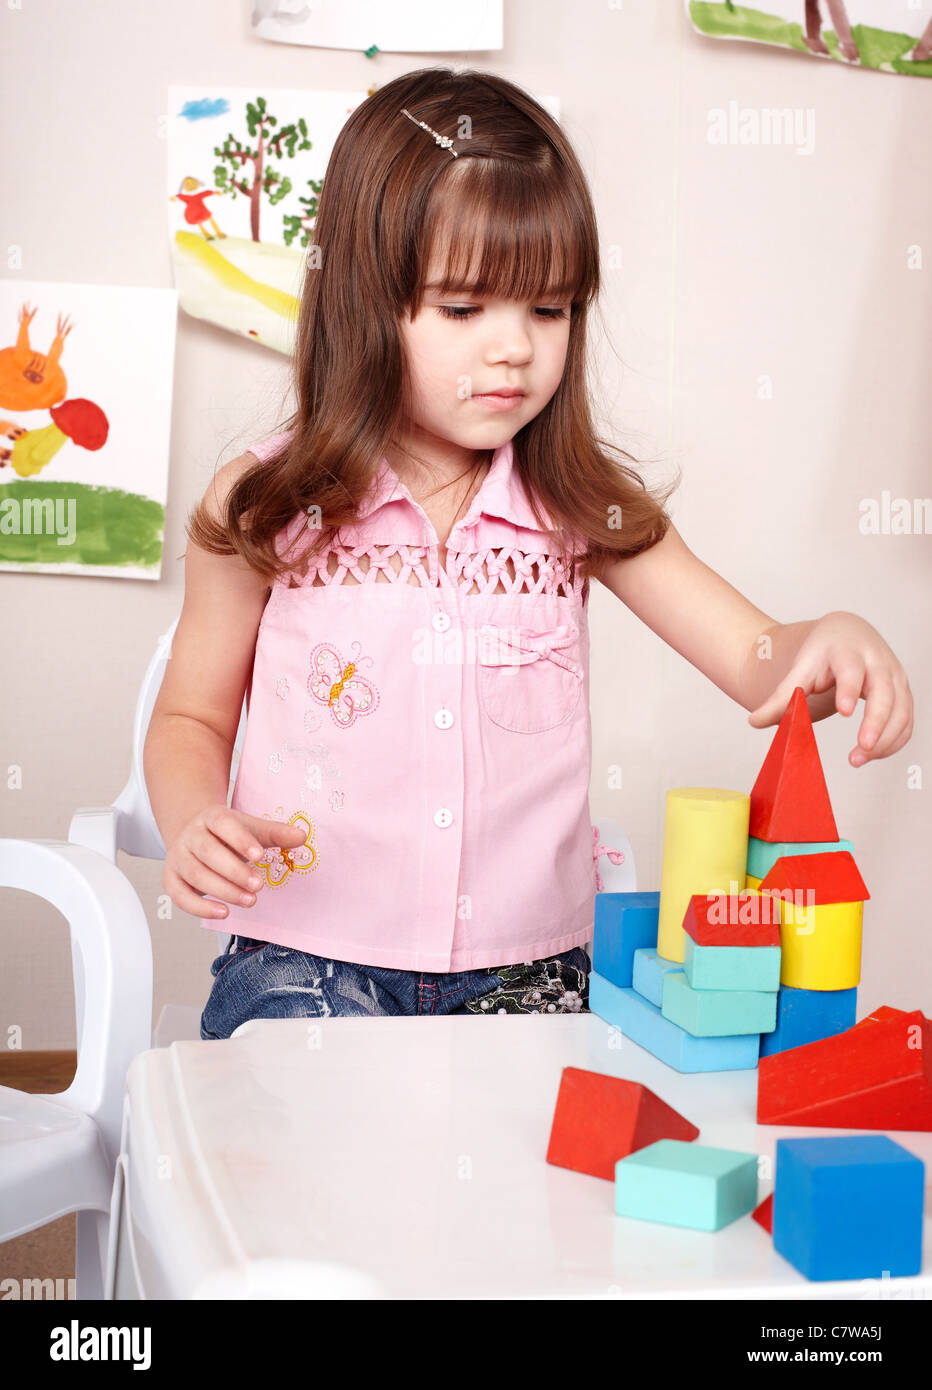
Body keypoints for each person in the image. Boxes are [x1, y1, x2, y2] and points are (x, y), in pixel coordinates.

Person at [143, 68, 913, 1038]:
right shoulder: (265, 509)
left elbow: (759, 662)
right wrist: (191, 821)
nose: (514, 348)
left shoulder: (578, 509)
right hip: (306, 958)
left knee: (525, 1185)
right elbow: (189, 717)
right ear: (362, 301)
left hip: (530, 977)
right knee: (299, 1165)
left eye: (546, 311)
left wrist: (824, 641)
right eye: (463, 310)